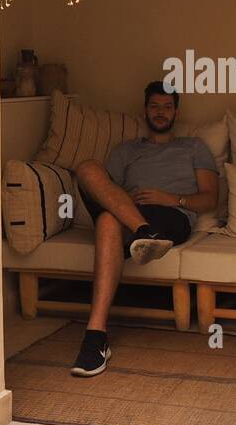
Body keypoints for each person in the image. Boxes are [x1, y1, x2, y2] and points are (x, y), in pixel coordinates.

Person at [70, 80, 219, 376]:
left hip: (171, 215)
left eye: (167, 107)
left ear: (176, 113)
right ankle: (144, 232)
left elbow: (210, 199)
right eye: (155, 106)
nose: (160, 112)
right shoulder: (126, 151)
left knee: (107, 220)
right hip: (131, 213)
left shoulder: (193, 147)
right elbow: (105, 190)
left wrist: (171, 198)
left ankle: (95, 338)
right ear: (145, 111)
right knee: (88, 169)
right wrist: (132, 212)